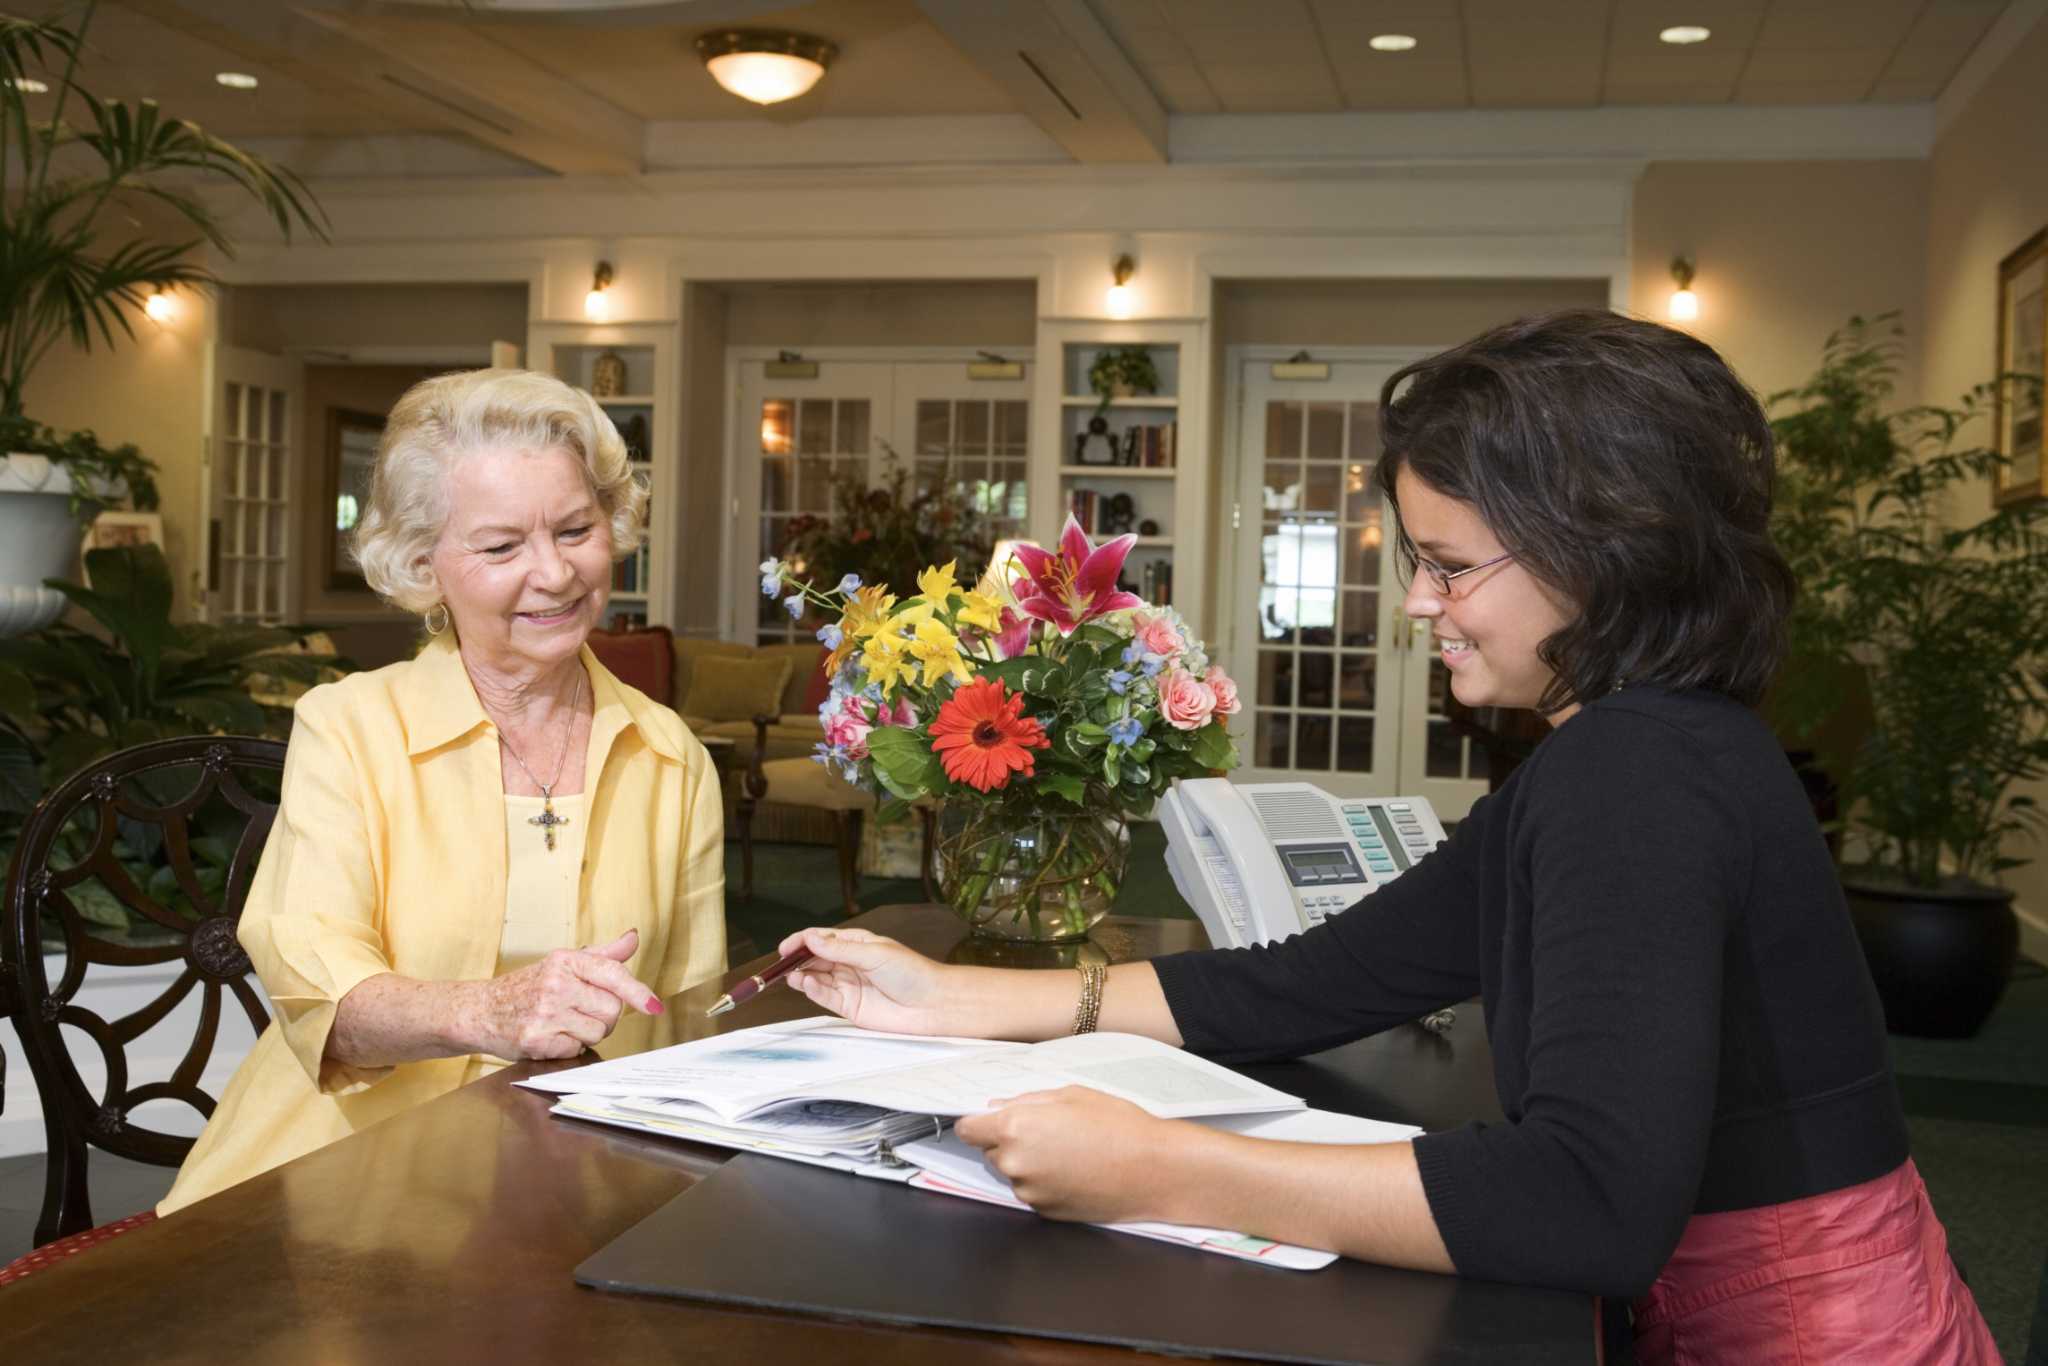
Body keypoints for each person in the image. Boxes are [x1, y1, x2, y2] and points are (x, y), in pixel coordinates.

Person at [771, 312, 1998, 1362]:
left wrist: (1158, 1166)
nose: (1417, 603)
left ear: (1607, 555)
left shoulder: (1635, 770)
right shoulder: (1637, 748)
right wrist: (954, 999)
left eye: (1449, 567)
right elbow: (1309, 982)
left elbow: (1587, 1200)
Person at [162, 369, 725, 1213]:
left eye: (576, 529)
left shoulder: (670, 755)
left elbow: (683, 1024)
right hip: (342, 1181)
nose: (555, 573)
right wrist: (490, 1011)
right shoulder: (348, 728)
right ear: (424, 564)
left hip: (582, 1186)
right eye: (501, 548)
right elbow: (323, 999)